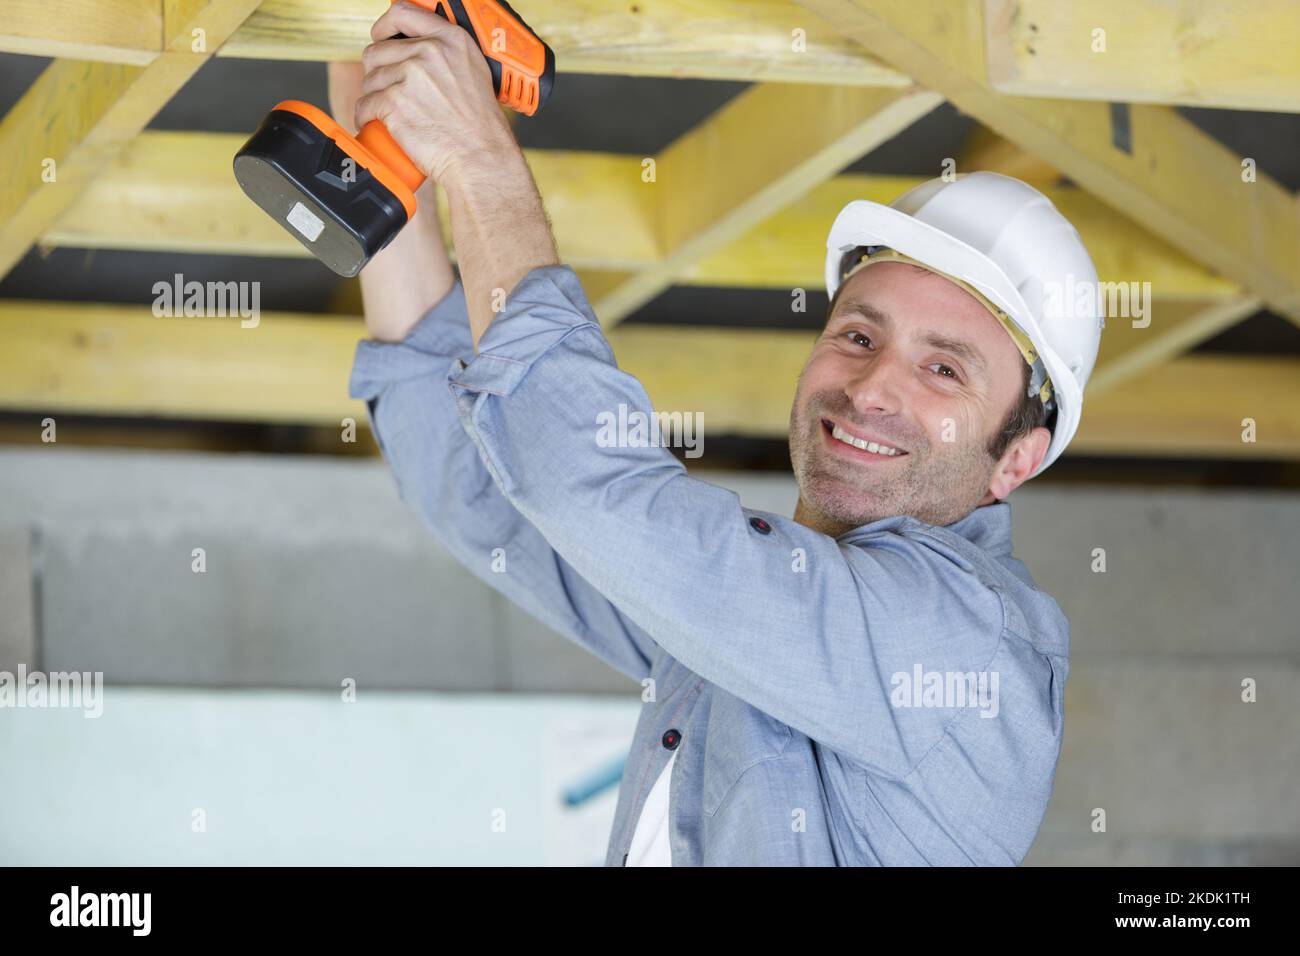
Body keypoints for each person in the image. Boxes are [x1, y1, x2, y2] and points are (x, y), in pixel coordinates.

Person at [336, 1, 1104, 865]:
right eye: (859, 336)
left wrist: (479, 156)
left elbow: (587, 488)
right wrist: (377, 132)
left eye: (944, 370)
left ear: (1015, 460)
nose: (872, 389)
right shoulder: (748, 625)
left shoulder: (960, 650)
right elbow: (487, 496)